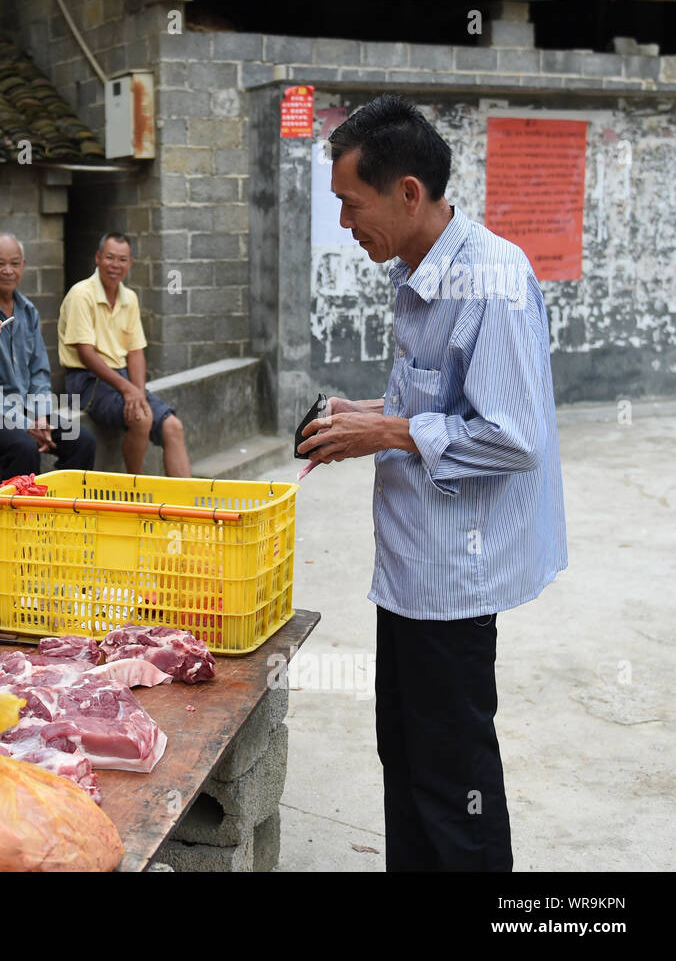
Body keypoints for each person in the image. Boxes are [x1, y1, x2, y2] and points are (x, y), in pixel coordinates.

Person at [298, 94, 568, 871]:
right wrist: (368, 413)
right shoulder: (417, 268)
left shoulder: (493, 279)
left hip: (455, 574)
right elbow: (440, 403)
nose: (347, 224)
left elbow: (513, 435)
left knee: (455, 781)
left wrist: (385, 430)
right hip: (411, 572)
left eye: (352, 204)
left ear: (407, 193)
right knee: (405, 758)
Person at [0, 233, 96, 478]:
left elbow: (39, 372)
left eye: (15, 263)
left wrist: (40, 415)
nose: (8, 270)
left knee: (83, 441)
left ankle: (60, 509)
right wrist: (25, 423)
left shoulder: (27, 310)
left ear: (24, 265)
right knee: (24, 447)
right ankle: (19, 515)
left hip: (28, 408)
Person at [58, 233, 190, 477]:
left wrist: (137, 390)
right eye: (109, 258)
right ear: (98, 259)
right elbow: (86, 353)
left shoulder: (130, 297)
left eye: (122, 260)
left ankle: (189, 511)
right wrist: (128, 390)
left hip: (123, 377)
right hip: (86, 379)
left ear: (130, 263)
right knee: (141, 417)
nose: (115, 265)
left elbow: (136, 351)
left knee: (173, 426)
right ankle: (133, 491)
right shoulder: (81, 294)